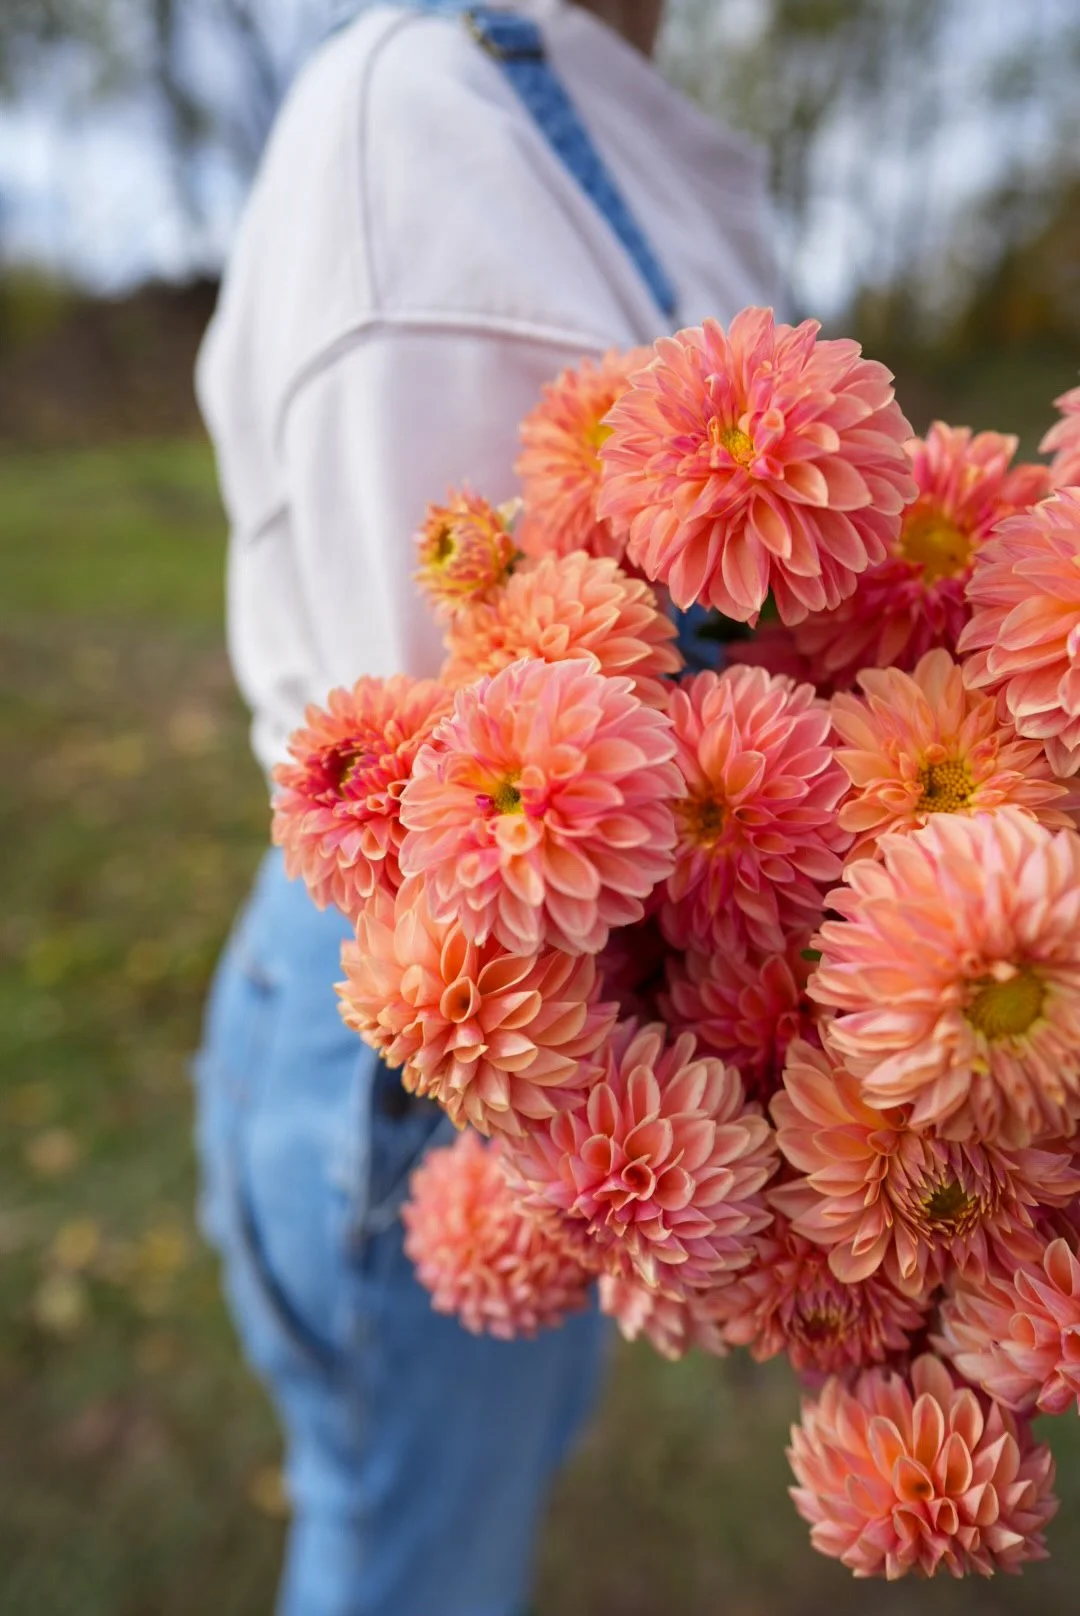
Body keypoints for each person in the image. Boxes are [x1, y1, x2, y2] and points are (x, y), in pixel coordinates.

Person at [194, 2, 779, 1612]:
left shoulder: (600, 130)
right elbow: (457, 804)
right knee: (416, 1565)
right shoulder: (426, 136)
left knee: (447, 1511)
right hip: (449, 1047)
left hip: (568, 1048)